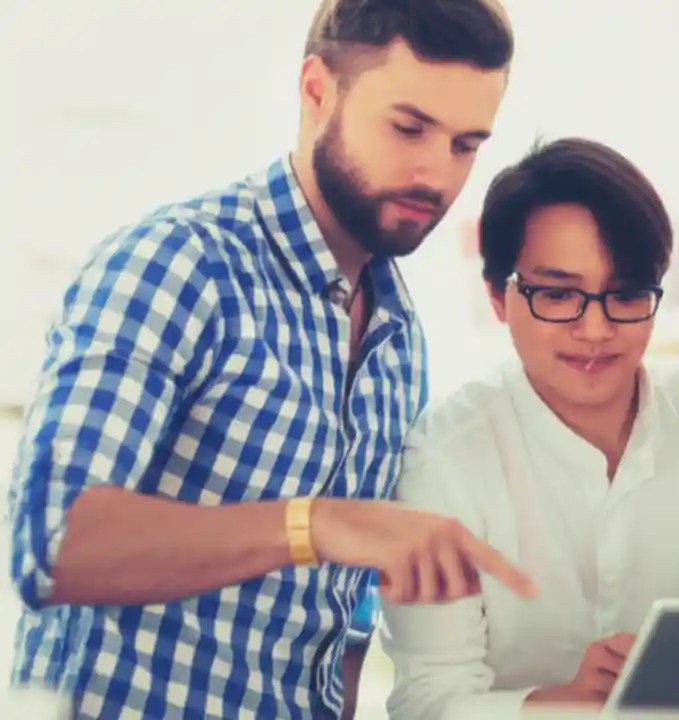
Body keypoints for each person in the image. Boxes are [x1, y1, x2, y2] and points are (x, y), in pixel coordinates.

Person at [6, 2, 536, 717]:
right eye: (408, 128)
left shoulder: (398, 332)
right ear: (317, 89)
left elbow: (339, 631)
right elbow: (53, 541)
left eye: (465, 144)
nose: (435, 173)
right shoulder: (179, 263)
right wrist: (309, 524)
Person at [379, 138, 679, 719]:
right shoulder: (444, 457)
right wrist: (564, 704)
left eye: (624, 295)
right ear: (498, 297)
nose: (595, 328)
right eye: (558, 294)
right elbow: (427, 700)